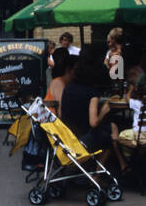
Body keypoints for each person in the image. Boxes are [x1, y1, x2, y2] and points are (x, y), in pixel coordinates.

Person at [59, 45, 128, 173]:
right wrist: (105, 109)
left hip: (69, 134)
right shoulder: (92, 93)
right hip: (84, 137)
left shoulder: (68, 88)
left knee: (111, 127)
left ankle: (122, 163)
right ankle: (97, 174)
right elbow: (94, 122)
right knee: (108, 139)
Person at [47, 48, 76, 118]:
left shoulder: (61, 81)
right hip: (53, 124)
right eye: (76, 69)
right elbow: (61, 111)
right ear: (69, 69)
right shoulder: (59, 83)